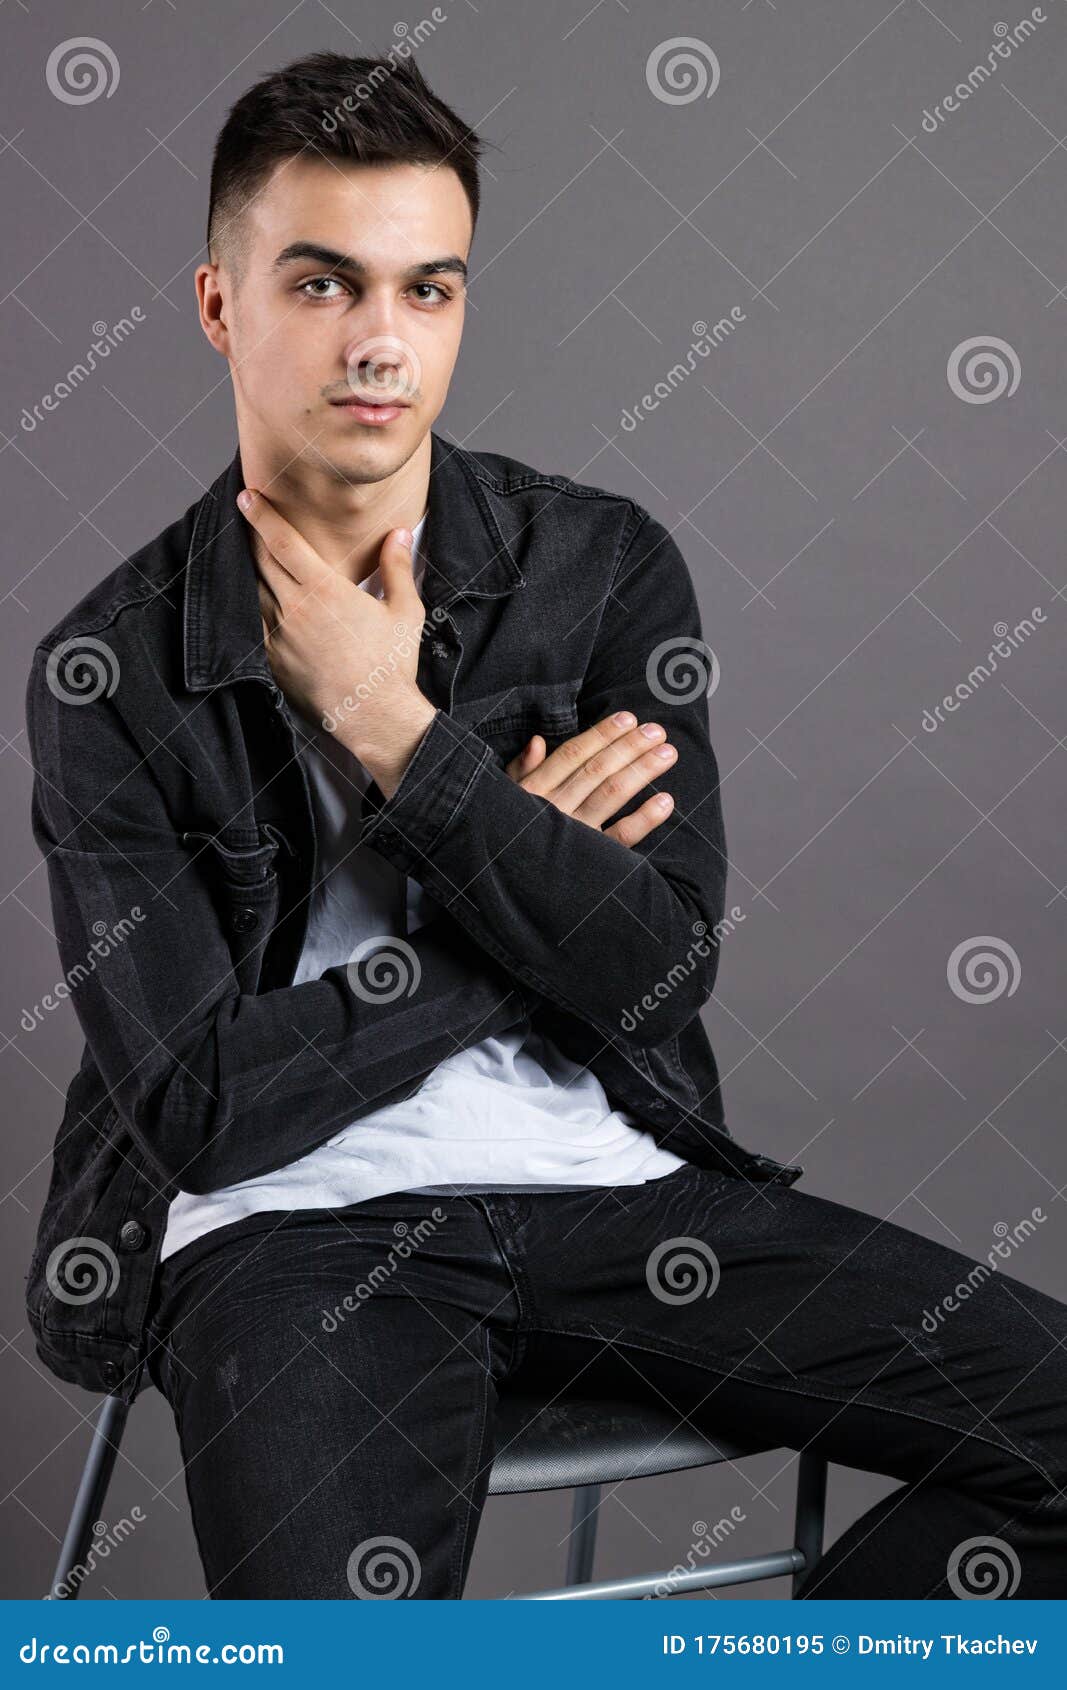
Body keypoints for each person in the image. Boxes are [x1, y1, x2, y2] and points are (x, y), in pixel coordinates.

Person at [24, 51, 1067, 1600]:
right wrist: (522, 888)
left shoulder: (596, 568)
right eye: (323, 283)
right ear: (218, 305)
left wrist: (400, 736)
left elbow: (653, 973)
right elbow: (201, 1110)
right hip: (290, 1240)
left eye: (428, 288)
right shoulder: (113, 666)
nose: (383, 342)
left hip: (615, 1195)